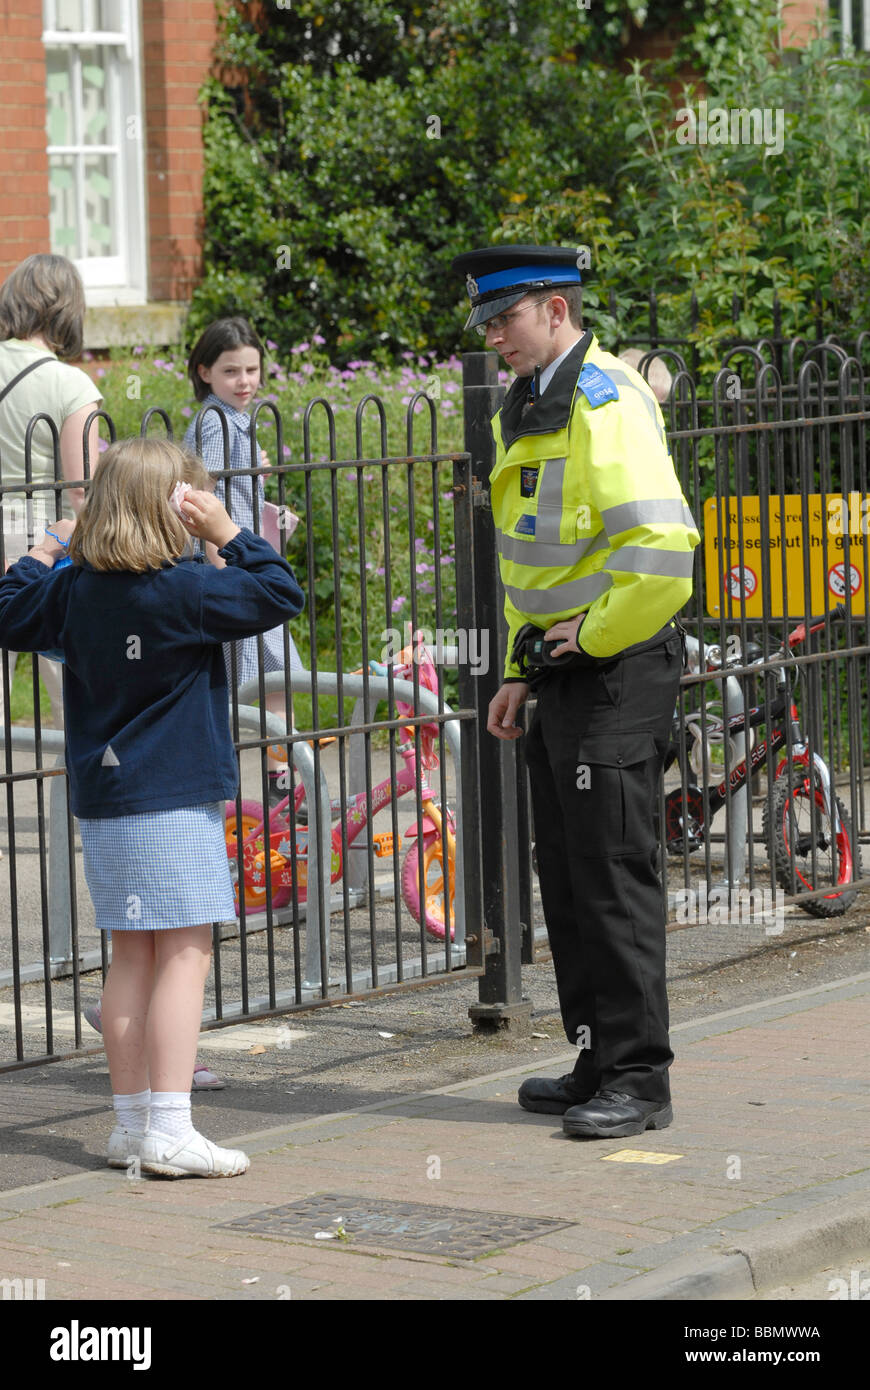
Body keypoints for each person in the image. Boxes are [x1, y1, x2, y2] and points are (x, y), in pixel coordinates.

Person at [0, 437, 304, 1176]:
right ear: (176, 509)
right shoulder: (186, 590)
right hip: (171, 799)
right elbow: (279, 594)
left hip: (106, 800)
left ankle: (133, 1126)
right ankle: (170, 1126)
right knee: (186, 952)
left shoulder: (72, 591)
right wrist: (228, 532)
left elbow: (8, 610)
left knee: (131, 954)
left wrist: (49, 543)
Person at [451, 245, 700, 1139]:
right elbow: (541, 560)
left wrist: (585, 639)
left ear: (555, 309)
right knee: (566, 878)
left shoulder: (604, 400)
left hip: (616, 668)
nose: (491, 336)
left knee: (613, 880)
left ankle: (640, 1080)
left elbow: (666, 559)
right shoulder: (529, 404)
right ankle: (599, 1057)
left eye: (503, 318)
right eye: (484, 321)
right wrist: (524, 666)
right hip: (563, 668)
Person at [184, 317, 303, 803]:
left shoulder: (231, 420)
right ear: (205, 371)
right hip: (234, 572)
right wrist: (223, 578)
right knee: (254, 687)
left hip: (243, 564)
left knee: (271, 682)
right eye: (232, 371)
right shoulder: (216, 424)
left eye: (252, 369)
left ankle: (279, 785)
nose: (246, 381)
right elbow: (204, 505)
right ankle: (254, 794)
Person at [0, 253, 102, 729]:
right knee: (65, 673)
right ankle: (74, 794)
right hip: (41, 531)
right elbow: (82, 489)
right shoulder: (68, 383)